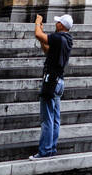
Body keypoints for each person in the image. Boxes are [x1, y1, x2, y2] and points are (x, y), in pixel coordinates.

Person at [29, 14, 73, 160]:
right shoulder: (67, 40)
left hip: (51, 81)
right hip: (59, 81)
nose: (56, 24)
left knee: (47, 118)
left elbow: (38, 34)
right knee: (54, 118)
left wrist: (37, 23)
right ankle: (51, 148)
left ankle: (44, 151)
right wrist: (41, 36)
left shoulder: (58, 37)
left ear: (62, 25)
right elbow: (47, 50)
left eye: (58, 22)